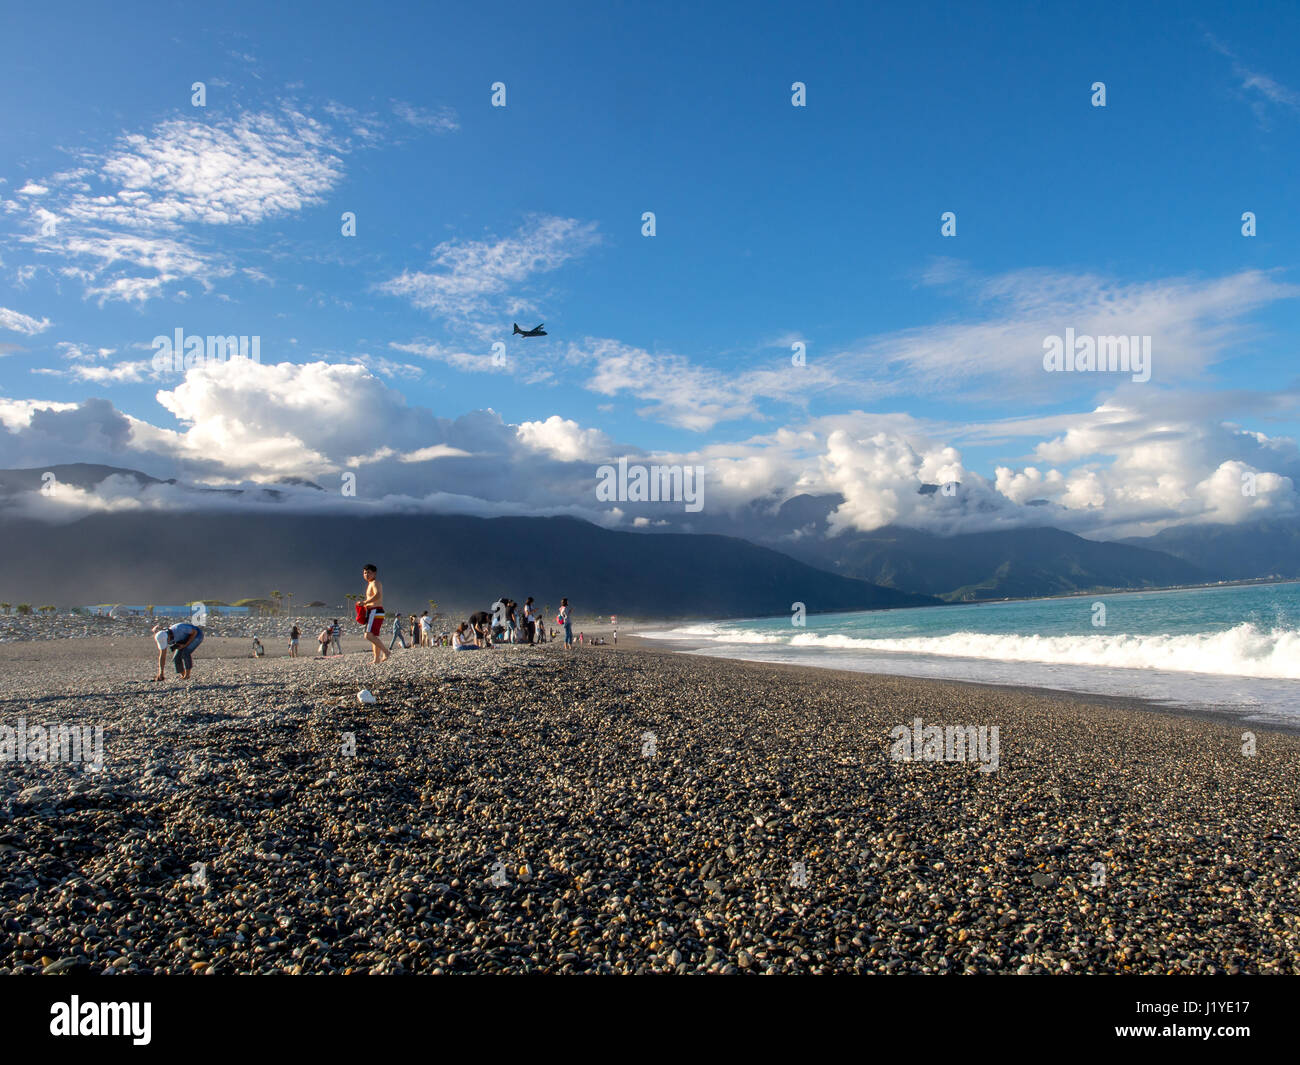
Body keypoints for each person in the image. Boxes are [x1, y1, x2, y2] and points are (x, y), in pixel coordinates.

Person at [361, 564, 388, 664]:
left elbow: (377, 595)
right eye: (365, 573)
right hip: (375, 611)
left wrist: (365, 602)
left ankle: (386, 652)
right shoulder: (371, 584)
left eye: (369, 572)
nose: (366, 574)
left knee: (368, 635)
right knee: (374, 636)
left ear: (374, 573)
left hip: (375, 611)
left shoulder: (374, 583)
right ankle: (376, 659)